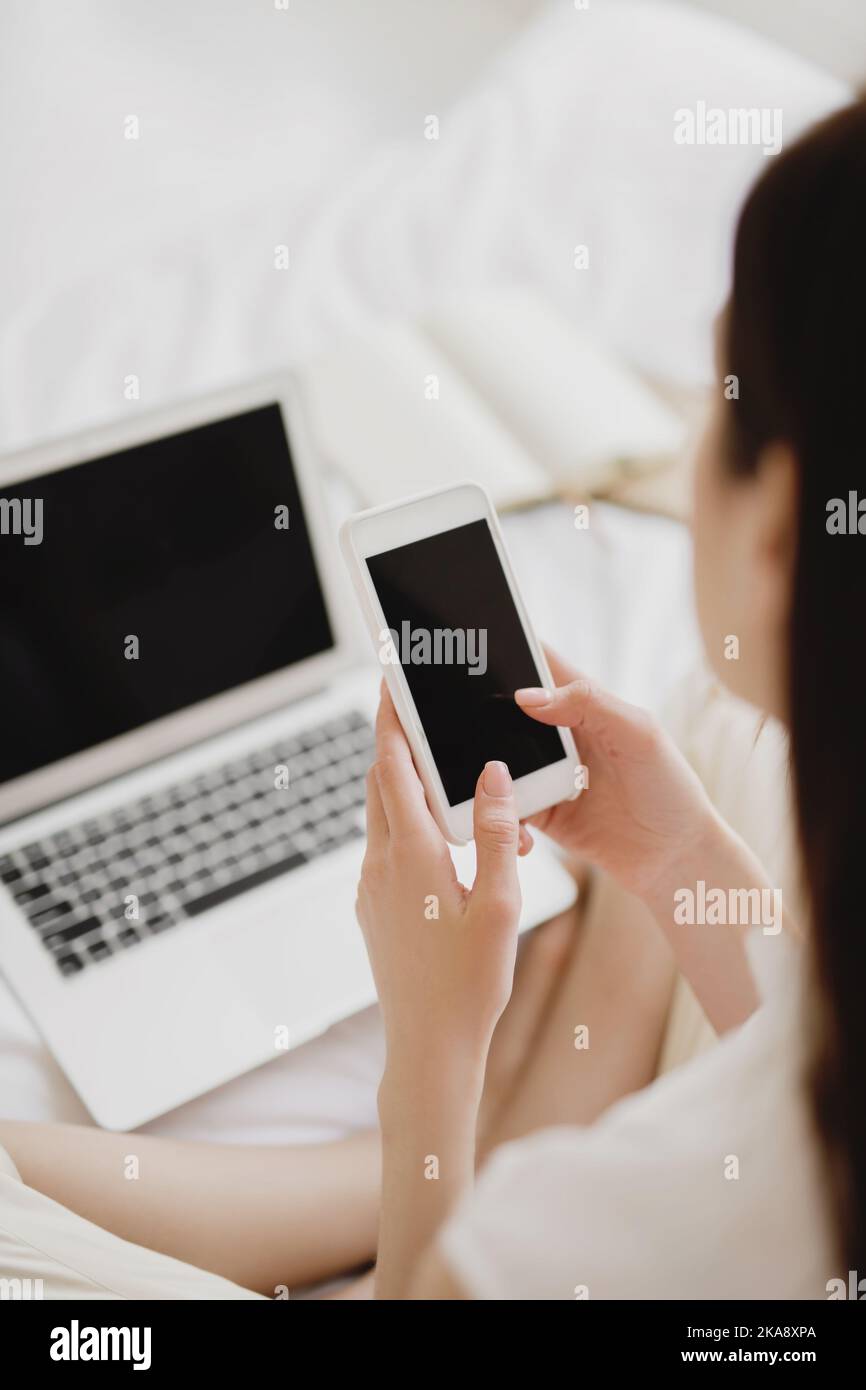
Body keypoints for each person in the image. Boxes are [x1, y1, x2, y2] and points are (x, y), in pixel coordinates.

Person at [1, 96, 863, 1300]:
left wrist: (433, 1056)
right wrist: (674, 857)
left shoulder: (620, 1221)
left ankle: (433, 1156)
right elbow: (812, 1044)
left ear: (772, 534)